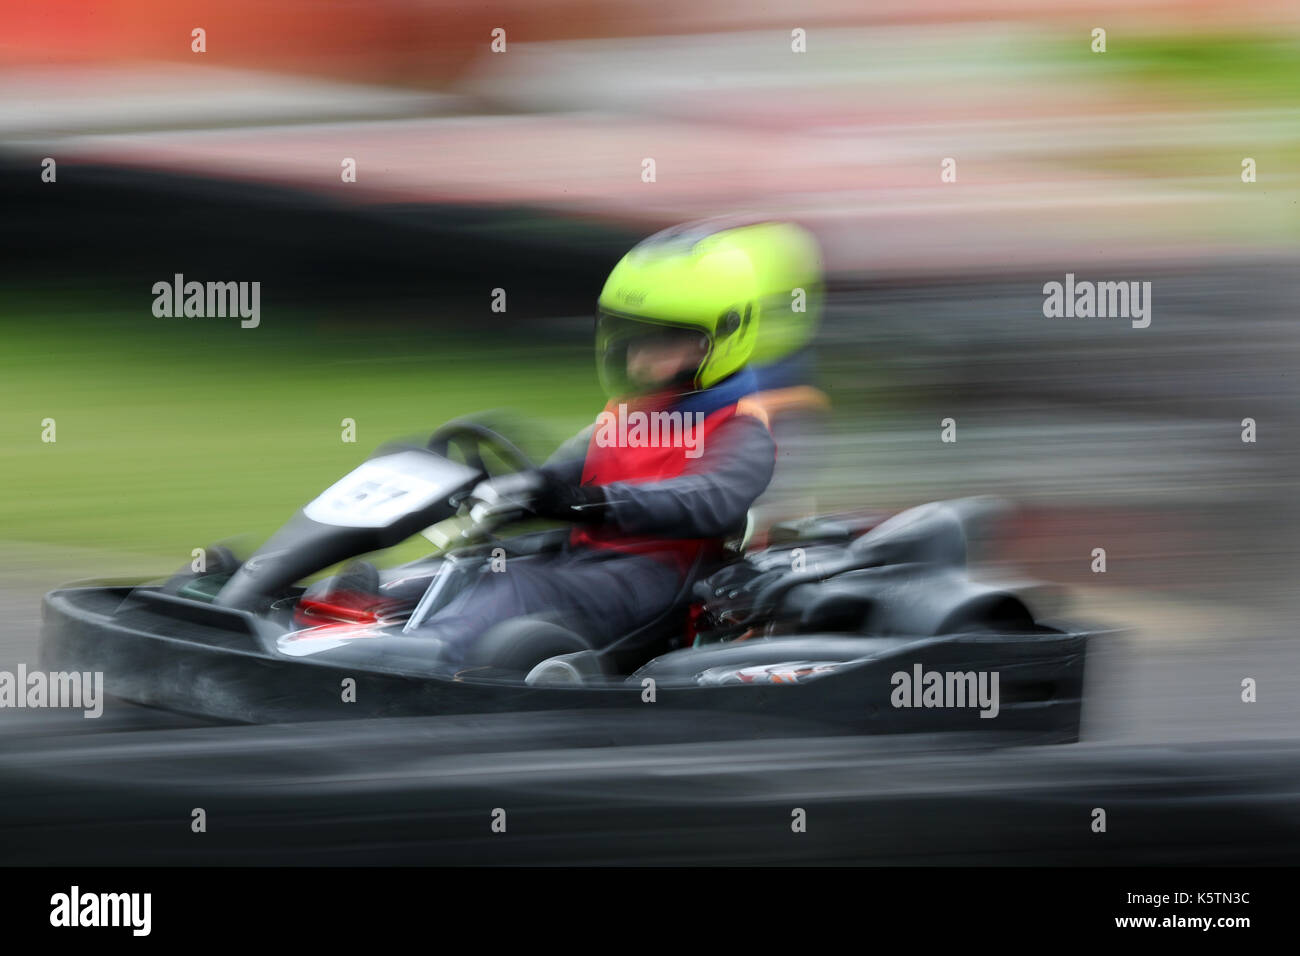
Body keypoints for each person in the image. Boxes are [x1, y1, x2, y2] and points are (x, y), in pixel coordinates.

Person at [321, 219, 824, 668]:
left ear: (718, 340)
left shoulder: (739, 428)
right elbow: (564, 478)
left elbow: (708, 501)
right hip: (587, 558)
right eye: (633, 339)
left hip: (652, 578)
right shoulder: (630, 412)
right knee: (477, 563)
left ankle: (427, 654)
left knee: (518, 584)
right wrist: (520, 490)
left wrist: (595, 502)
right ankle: (357, 611)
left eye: (663, 342)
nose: (639, 359)